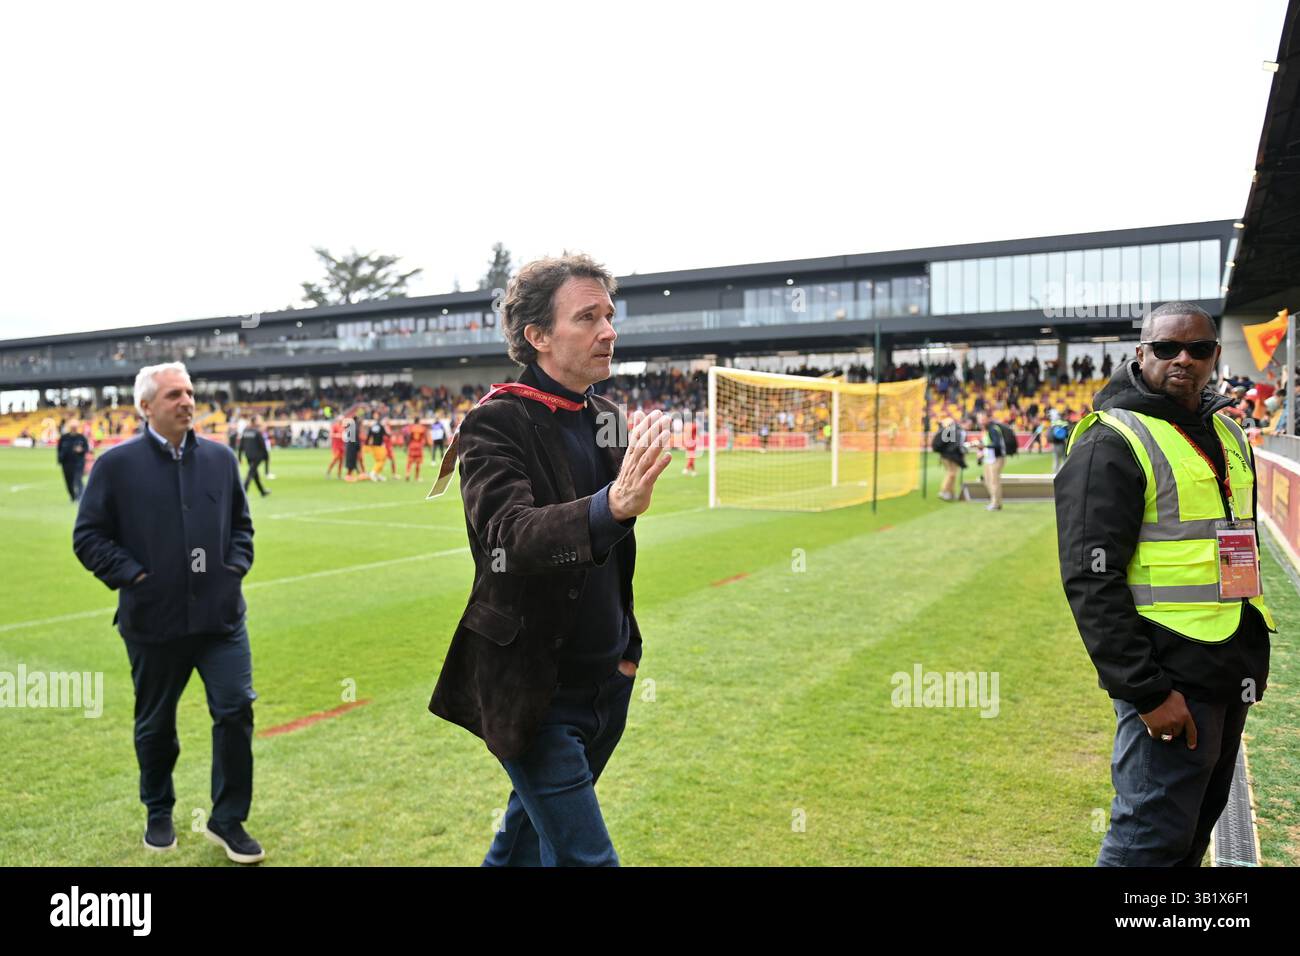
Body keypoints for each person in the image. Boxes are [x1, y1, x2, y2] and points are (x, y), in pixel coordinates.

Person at [427, 253, 673, 866]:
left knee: (522, 845)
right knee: (588, 859)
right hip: (534, 688)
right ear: (537, 335)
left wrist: (626, 654)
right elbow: (507, 538)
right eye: (587, 317)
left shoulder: (608, 419)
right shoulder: (494, 422)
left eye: (609, 315)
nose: (608, 330)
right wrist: (609, 507)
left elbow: (615, 555)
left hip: (607, 680)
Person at [1055, 302, 1275, 867]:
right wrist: (1147, 691)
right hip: (1168, 678)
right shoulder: (1111, 440)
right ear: (1140, 354)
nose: (1183, 359)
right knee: (1146, 845)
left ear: (1215, 356)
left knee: (1192, 836)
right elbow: (1090, 579)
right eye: (1166, 348)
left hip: (1228, 666)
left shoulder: (1225, 427)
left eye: (1199, 348)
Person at [72, 362, 264, 864]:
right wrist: (135, 575)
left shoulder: (221, 460)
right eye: (174, 394)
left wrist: (233, 567)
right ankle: (159, 810)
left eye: (190, 392)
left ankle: (228, 819)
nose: (186, 401)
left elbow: (242, 527)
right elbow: (88, 537)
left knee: (235, 709)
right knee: (156, 724)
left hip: (221, 620)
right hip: (153, 623)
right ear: (146, 406)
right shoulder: (115, 465)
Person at [931, 417, 966, 501]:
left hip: (947, 455)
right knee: (951, 474)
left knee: (952, 474)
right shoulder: (954, 430)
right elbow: (954, 444)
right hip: (950, 455)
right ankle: (944, 491)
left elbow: (948, 443)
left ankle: (951, 493)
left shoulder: (950, 430)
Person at [977, 410, 1006, 511]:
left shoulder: (993, 429)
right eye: (979, 419)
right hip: (988, 458)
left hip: (996, 458)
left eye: (982, 419)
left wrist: (983, 446)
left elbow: (996, 444)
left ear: (987, 419)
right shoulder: (985, 429)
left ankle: (996, 503)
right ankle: (995, 501)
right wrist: (981, 450)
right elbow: (986, 443)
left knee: (994, 481)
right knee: (987, 480)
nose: (980, 421)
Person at [56, 420, 90, 502]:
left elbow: (86, 449)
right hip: (66, 463)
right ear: (70, 428)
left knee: (78, 480)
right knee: (68, 481)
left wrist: (81, 450)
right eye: (72, 427)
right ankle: (73, 496)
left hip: (78, 463)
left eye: (75, 427)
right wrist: (59, 459)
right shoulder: (64, 438)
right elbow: (59, 449)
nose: (74, 429)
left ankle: (80, 497)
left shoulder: (81, 438)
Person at [238, 415, 271, 497]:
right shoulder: (257, 432)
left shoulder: (245, 431)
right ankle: (243, 491)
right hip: (258, 456)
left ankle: (262, 491)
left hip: (248, 456)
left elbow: (241, 445)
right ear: (255, 422)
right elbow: (263, 445)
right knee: (251, 473)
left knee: (254, 473)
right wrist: (266, 455)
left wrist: (239, 457)